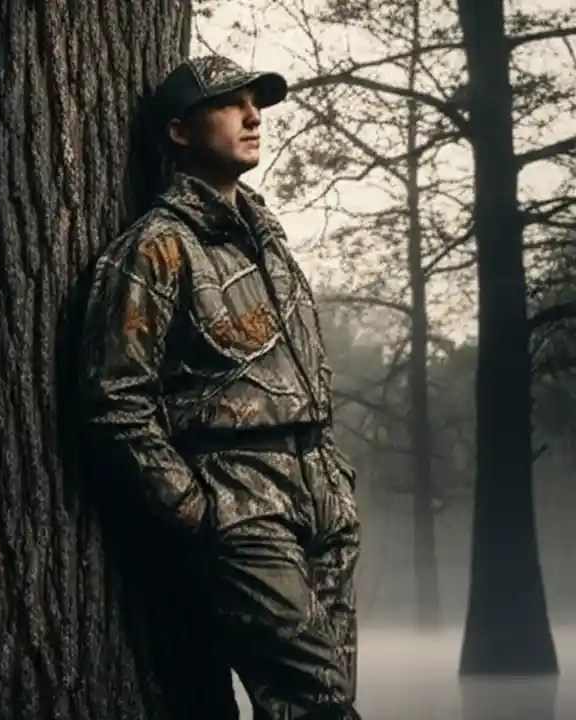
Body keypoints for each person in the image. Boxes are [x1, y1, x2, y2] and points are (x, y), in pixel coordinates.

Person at [79, 55, 363, 719]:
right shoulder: (157, 247)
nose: (253, 116)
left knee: (323, 701)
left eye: (256, 102)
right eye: (230, 104)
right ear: (180, 131)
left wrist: (335, 482)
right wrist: (195, 509)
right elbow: (115, 401)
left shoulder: (268, 240)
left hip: (321, 494)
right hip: (242, 504)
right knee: (315, 700)